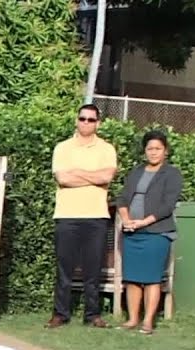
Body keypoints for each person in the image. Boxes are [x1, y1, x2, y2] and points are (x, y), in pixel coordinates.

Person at [47, 103, 118, 329]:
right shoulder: (62, 148)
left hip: (96, 216)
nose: (86, 123)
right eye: (82, 118)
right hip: (67, 215)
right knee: (64, 268)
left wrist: (78, 172)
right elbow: (63, 179)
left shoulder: (107, 149)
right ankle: (60, 313)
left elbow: (106, 177)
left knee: (93, 269)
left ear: (98, 122)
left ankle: (92, 314)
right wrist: (92, 177)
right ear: (76, 120)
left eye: (91, 119)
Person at [116, 129, 183, 335]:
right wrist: (127, 220)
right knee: (133, 278)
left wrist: (143, 222)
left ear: (165, 151)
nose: (153, 153)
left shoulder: (172, 174)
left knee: (151, 278)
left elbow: (167, 205)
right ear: (144, 151)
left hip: (156, 232)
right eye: (150, 149)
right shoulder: (136, 172)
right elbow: (122, 198)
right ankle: (133, 319)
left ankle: (147, 321)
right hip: (131, 232)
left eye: (158, 149)